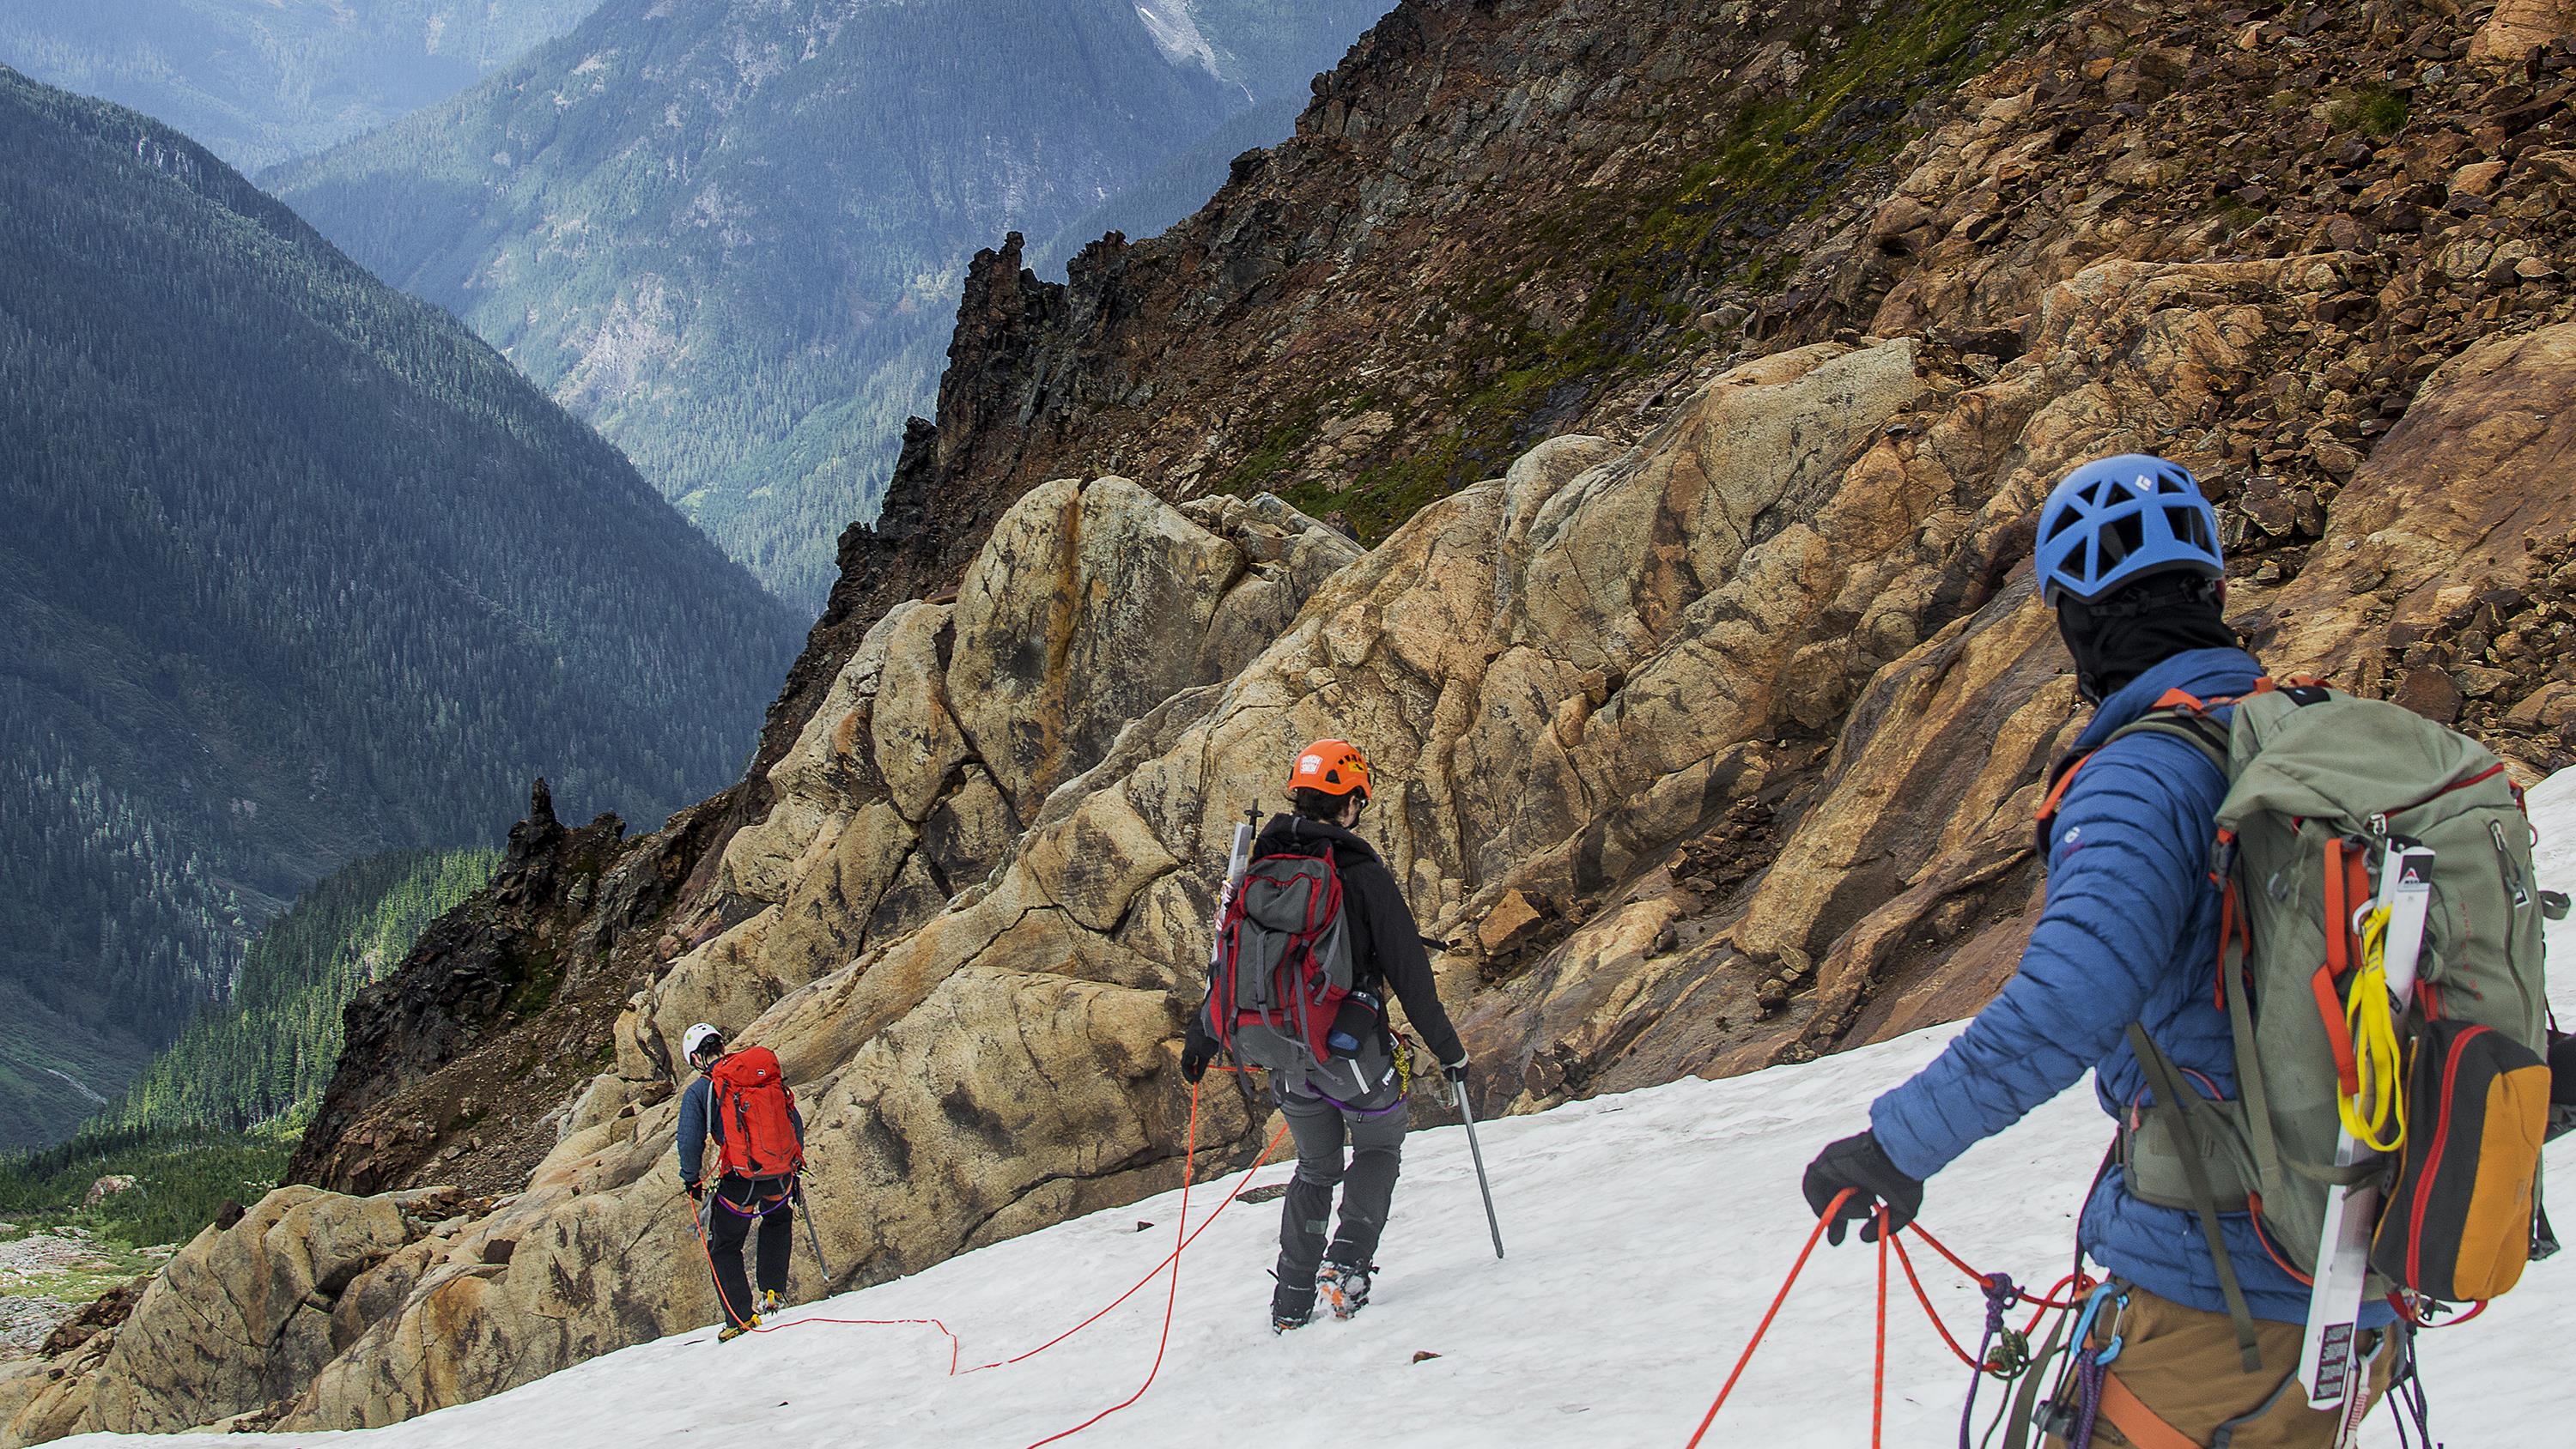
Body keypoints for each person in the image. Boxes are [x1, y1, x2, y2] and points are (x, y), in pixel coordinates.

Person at [1798, 455, 2396, 1446]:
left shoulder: (2142, 777)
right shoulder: (2314, 743)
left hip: (2220, 1297)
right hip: (2365, 1275)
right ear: (2211, 591)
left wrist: (1893, 1148)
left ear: (2075, 622)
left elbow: (2065, 1002)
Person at [1182, 738, 1470, 1334]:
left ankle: (1290, 1301)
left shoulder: (1257, 870)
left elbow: (1228, 962)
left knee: (1315, 1169)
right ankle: (1345, 1269)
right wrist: (1451, 1052)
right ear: (1351, 803)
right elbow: (1411, 978)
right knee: (1379, 1147)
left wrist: (1203, 1036)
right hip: (1350, 1053)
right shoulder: (1359, 872)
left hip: (1285, 1057)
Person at [677, 1022, 805, 1343]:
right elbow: (792, 1119)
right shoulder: (757, 1074)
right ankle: (773, 1291)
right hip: (780, 1173)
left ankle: (739, 1319)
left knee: (724, 1246)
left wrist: (691, 1180)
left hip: (741, 1178)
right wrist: (794, 1164)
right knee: (777, 1219)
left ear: (695, 1059)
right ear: (721, 1045)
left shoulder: (701, 1089)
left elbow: (690, 1141)